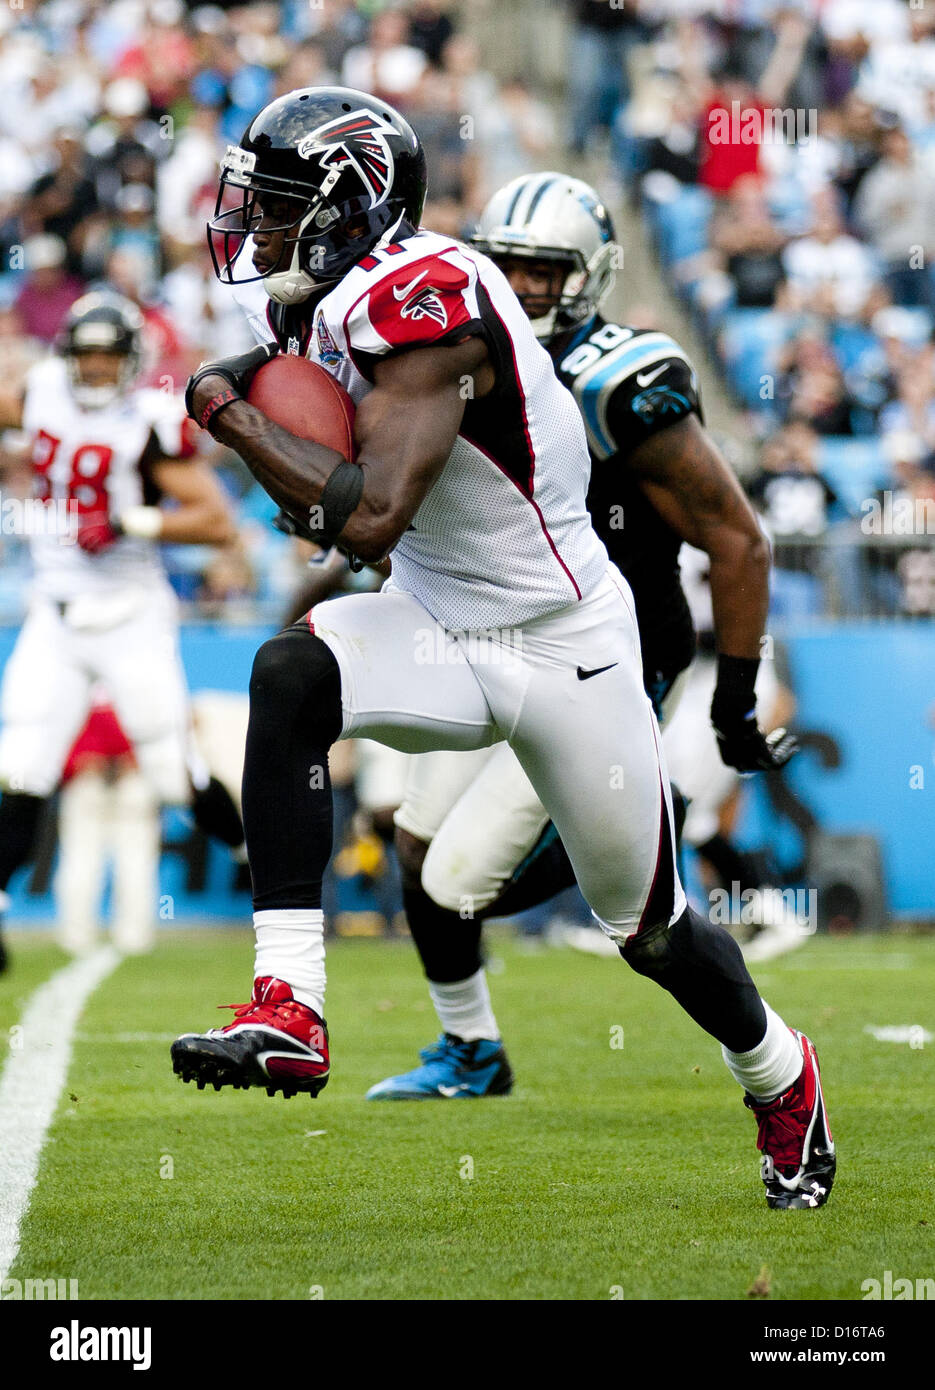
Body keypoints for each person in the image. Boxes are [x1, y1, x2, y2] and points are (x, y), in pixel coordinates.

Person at [172, 89, 834, 1210]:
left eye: (282, 204)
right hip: (437, 626)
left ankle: (781, 1077)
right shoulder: (329, 298)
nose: (259, 226)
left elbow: (367, 516)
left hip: (561, 645)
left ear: (351, 206)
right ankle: (287, 1003)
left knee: (652, 930)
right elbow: (307, 389)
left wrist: (231, 416)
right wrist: (244, 386)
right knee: (288, 672)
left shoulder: (430, 302)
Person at [364, 170, 800, 1091]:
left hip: (595, 658)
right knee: (412, 840)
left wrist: (731, 703)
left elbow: (737, 540)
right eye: (507, 266)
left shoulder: (616, 379)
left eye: (542, 270)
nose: (521, 288)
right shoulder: (451, 356)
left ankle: (618, 832)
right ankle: (471, 1051)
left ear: (590, 275)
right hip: (479, 637)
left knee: (464, 885)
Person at [0, 292, 241, 971]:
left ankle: (257, 857)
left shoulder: (149, 424)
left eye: (110, 356)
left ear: (131, 361)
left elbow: (215, 521)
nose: (98, 369)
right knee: (22, 766)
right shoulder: (42, 390)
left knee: (170, 776)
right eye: (87, 355)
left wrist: (132, 523)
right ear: (67, 356)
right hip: (55, 611)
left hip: (132, 613)